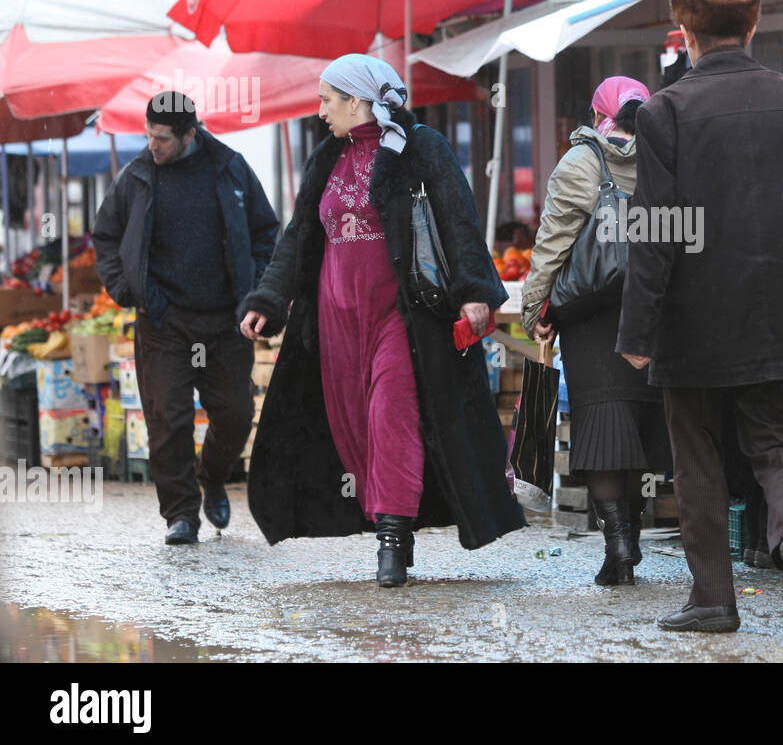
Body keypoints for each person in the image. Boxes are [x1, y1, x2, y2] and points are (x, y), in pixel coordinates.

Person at [616, 0, 783, 632]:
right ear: (752, 26)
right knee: (781, 441)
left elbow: (654, 231)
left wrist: (637, 332)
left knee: (697, 456)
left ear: (684, 31)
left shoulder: (665, 111)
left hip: (693, 321)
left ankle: (714, 599)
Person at [237, 54, 525, 588]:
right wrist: (269, 299)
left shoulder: (420, 148)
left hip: (403, 315)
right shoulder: (326, 157)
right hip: (335, 320)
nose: (319, 110)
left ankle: (393, 542)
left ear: (356, 100)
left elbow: (457, 218)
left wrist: (474, 292)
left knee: (392, 414)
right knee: (356, 426)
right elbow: (300, 235)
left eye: (327, 99)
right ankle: (387, 524)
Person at [93, 91, 279, 545]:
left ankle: (211, 475)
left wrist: (255, 294)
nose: (151, 145)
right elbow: (106, 236)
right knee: (168, 420)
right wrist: (128, 290)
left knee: (236, 413)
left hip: (225, 320)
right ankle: (181, 514)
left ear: (189, 135)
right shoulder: (137, 176)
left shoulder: (230, 168)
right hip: (164, 321)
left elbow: (265, 234)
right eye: (148, 135)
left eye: (161, 138)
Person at [521, 76, 671, 587]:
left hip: (591, 315)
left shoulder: (582, 162)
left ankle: (620, 549)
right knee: (641, 429)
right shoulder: (668, 154)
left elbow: (553, 242)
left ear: (595, 111)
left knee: (604, 428)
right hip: (653, 313)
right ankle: (630, 539)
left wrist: (534, 306)